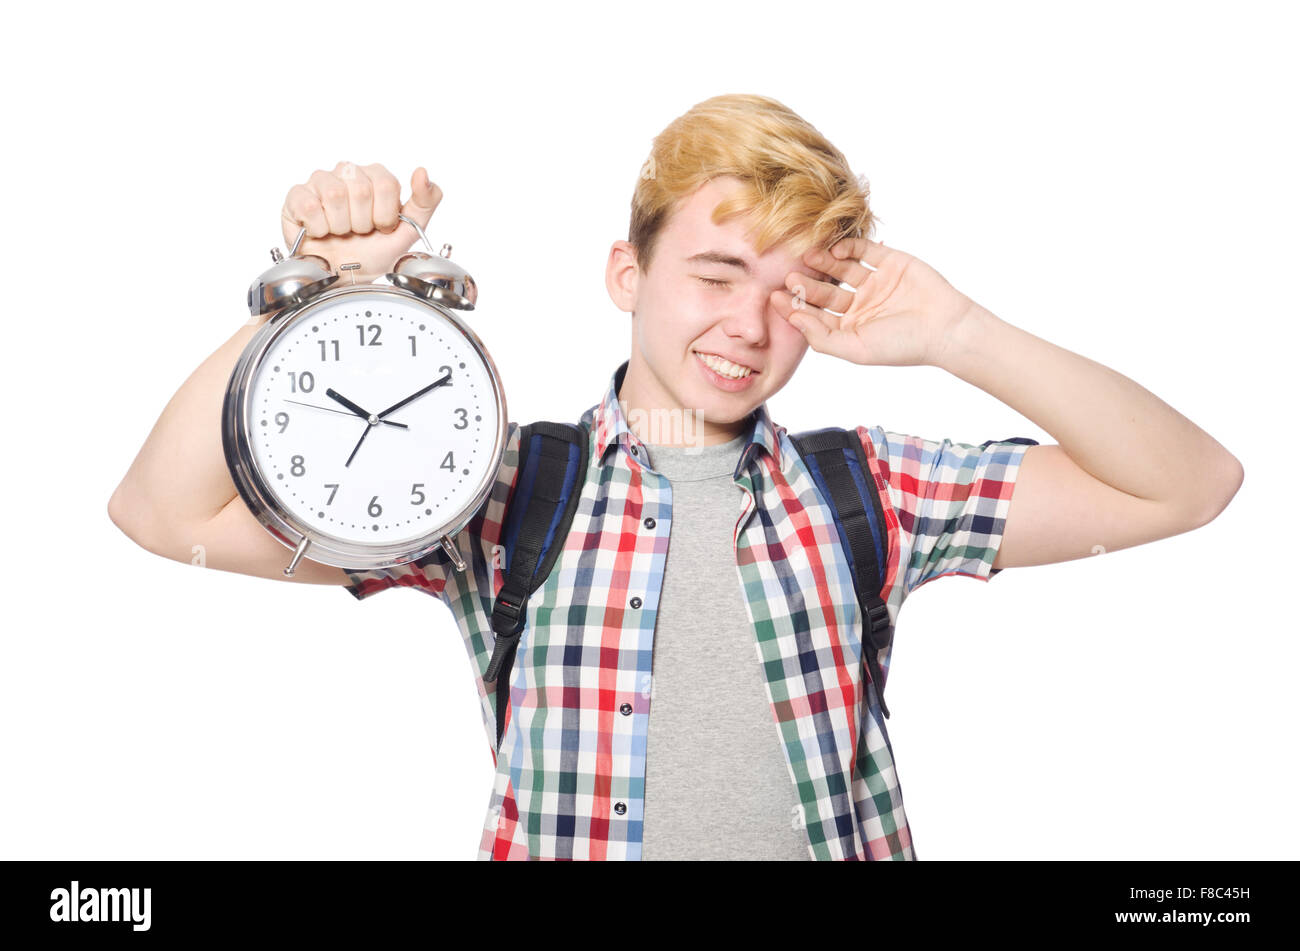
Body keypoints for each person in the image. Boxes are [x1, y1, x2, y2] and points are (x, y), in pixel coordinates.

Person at [108, 93, 1244, 861]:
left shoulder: (874, 492)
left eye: (791, 290)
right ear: (626, 272)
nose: (749, 325)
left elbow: (1187, 485)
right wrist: (326, 295)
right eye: (714, 272)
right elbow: (163, 513)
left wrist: (958, 332)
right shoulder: (493, 497)